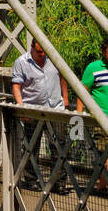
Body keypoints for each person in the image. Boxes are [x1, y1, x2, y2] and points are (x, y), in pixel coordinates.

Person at [11, 37, 70, 192]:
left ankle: (59, 182)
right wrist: (21, 106)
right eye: (39, 52)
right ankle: (31, 180)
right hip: (33, 110)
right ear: (32, 47)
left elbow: (62, 77)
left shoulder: (54, 57)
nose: (42, 55)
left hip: (55, 109)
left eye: (44, 52)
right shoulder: (21, 62)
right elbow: (16, 86)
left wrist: (65, 98)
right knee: (31, 147)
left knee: (59, 146)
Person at [78, 37, 108, 196]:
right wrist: (78, 117)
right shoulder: (93, 68)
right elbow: (82, 91)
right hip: (102, 120)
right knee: (105, 154)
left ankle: (104, 185)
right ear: (103, 53)